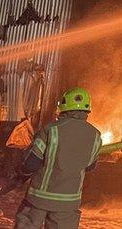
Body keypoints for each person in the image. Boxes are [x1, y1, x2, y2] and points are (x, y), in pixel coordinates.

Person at [14, 87, 101, 229]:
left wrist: (21, 174)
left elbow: (31, 163)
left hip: (39, 198)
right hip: (69, 201)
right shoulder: (95, 135)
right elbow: (90, 166)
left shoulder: (51, 130)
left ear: (64, 107)